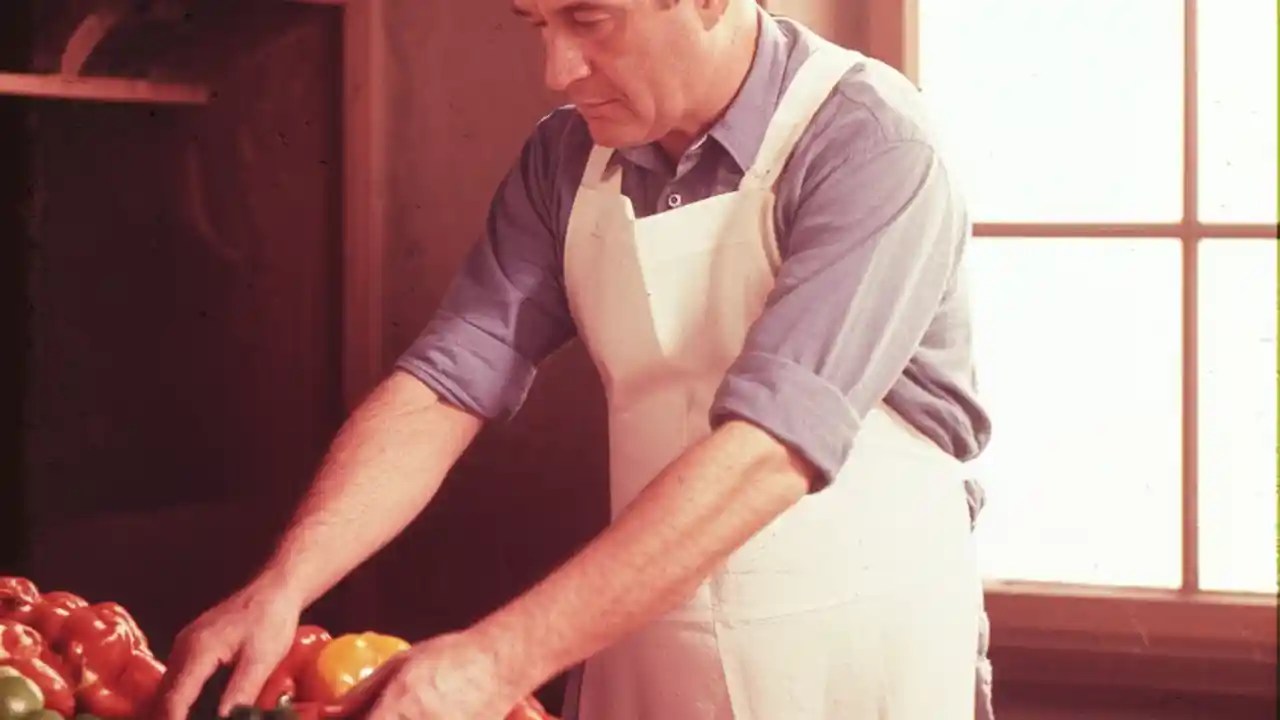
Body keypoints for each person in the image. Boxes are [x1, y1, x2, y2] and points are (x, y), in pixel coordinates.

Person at [154, 1, 995, 718]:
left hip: (857, 651)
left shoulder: (872, 145)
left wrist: (497, 661)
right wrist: (285, 584)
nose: (556, 69)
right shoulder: (563, 158)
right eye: (537, 23)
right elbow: (447, 382)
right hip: (645, 644)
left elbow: (771, 449)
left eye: (589, 19)